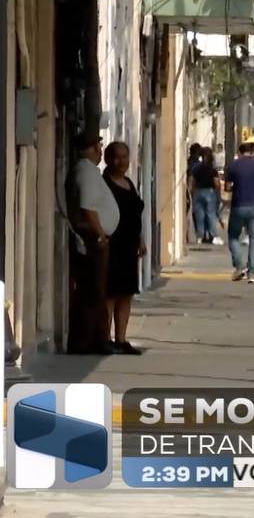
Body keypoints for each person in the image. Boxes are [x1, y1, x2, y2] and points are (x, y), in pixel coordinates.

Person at [66, 131, 120, 355]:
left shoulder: (89, 171)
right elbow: (88, 208)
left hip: (94, 236)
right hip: (92, 238)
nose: (100, 150)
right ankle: (90, 340)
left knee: (94, 289)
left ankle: (94, 339)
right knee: (92, 290)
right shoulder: (86, 172)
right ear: (89, 149)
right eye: (97, 145)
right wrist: (100, 235)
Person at [102, 141, 146, 355]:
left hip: (129, 245)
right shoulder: (104, 184)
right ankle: (105, 338)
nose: (121, 162)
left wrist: (141, 240)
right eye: (116, 157)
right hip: (112, 244)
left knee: (126, 293)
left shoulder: (128, 183)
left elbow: (135, 216)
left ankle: (121, 339)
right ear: (107, 159)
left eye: (125, 157)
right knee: (110, 292)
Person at [224, 141, 254, 283]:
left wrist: (237, 188)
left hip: (238, 204)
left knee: (233, 236)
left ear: (240, 151)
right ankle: (252, 274)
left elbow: (227, 187)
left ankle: (239, 266)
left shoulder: (234, 165)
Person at [189, 147, 221, 244]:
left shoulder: (196, 168)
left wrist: (192, 192)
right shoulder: (212, 169)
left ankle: (200, 236)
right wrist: (218, 193)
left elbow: (192, 182)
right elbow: (216, 184)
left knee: (200, 215)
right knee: (210, 214)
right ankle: (213, 235)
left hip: (198, 192)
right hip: (210, 192)